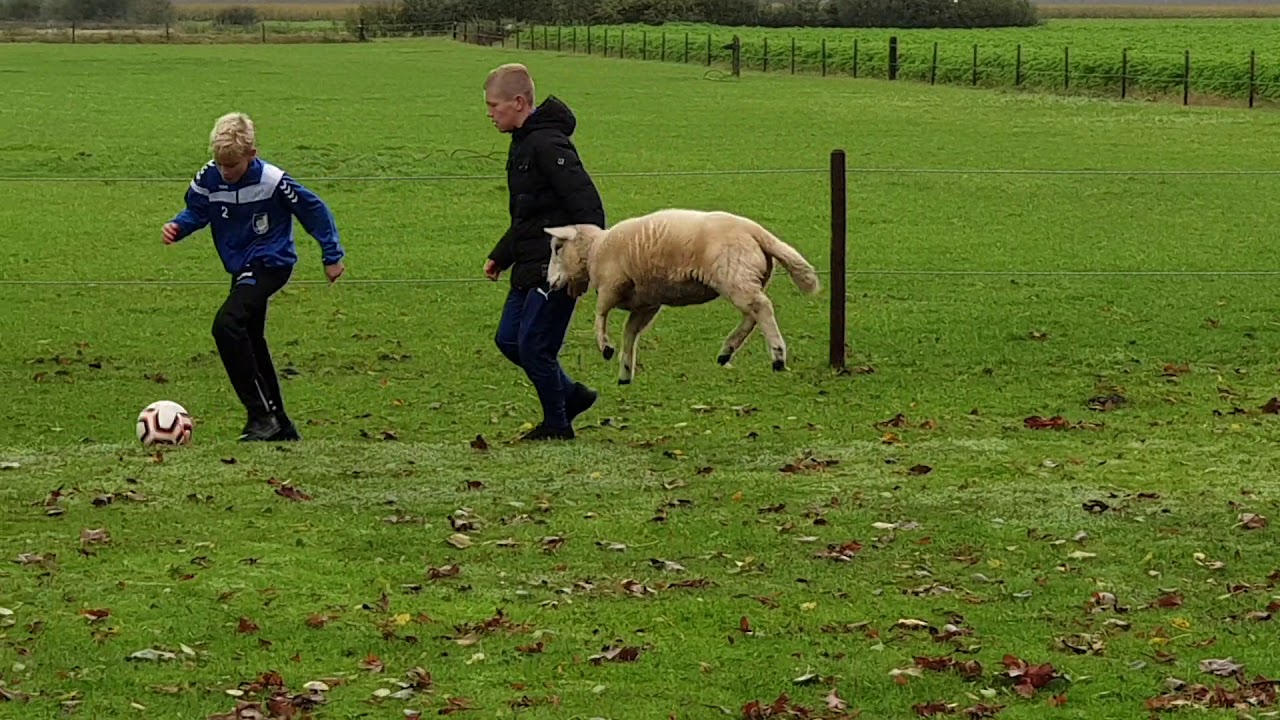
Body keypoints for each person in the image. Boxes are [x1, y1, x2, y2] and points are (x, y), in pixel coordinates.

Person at [161, 111, 346, 442]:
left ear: (251, 155)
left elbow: (314, 210)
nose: (226, 172)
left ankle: (261, 416)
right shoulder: (208, 178)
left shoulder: (273, 181)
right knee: (250, 338)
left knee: (226, 325)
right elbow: (197, 210)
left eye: (233, 166)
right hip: (242, 266)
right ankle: (280, 425)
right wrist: (179, 226)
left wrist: (331, 255)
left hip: (270, 262)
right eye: (221, 165)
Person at [483, 63, 605, 441]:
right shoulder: (522, 142)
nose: (490, 114)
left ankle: (558, 425)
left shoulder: (549, 145)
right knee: (508, 339)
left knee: (535, 346)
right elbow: (529, 212)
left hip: (557, 266)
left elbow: (589, 208)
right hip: (528, 261)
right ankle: (570, 395)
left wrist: (580, 267)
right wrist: (500, 255)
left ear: (518, 102)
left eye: (494, 106)